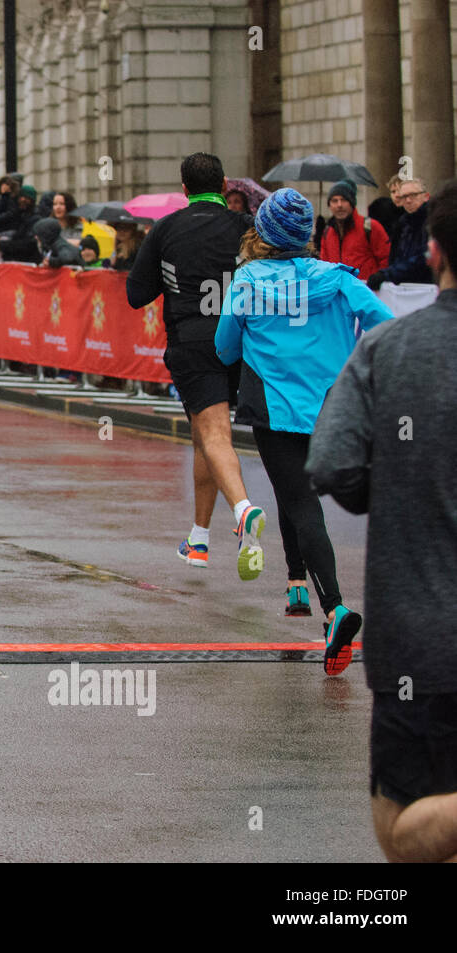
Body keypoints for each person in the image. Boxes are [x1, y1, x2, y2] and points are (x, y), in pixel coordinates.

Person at [307, 179, 457, 863]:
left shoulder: (386, 350)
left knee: (403, 836)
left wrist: (384, 486)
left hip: (418, 644)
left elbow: (332, 467)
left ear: (431, 251)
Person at [215, 188, 392, 667]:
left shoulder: (248, 280)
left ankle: (334, 607)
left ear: (265, 232)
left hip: (275, 410)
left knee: (298, 501)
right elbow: (384, 323)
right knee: (298, 497)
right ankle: (297, 584)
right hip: (334, 405)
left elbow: (225, 347)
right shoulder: (337, 278)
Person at [127, 152, 266, 578]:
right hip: (243, 340)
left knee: (214, 433)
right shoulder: (246, 227)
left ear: (184, 189)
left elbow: (136, 294)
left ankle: (243, 511)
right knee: (203, 436)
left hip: (192, 341)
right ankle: (199, 538)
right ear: (225, 184)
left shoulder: (166, 228)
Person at [319, 179, 390, 284]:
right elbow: (324, 265)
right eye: (334, 200)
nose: (339, 205)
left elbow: (386, 258)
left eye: (344, 200)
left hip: (367, 291)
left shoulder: (370, 227)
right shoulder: (327, 233)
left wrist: (378, 279)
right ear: (329, 205)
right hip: (338, 292)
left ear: (352, 203)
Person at [368, 178, 431, 289]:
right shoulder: (402, 224)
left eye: (413, 195)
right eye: (404, 197)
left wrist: (388, 274)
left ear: (426, 196)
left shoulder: (432, 222)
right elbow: (395, 258)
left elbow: (424, 257)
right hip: (402, 287)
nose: (408, 200)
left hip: (426, 287)